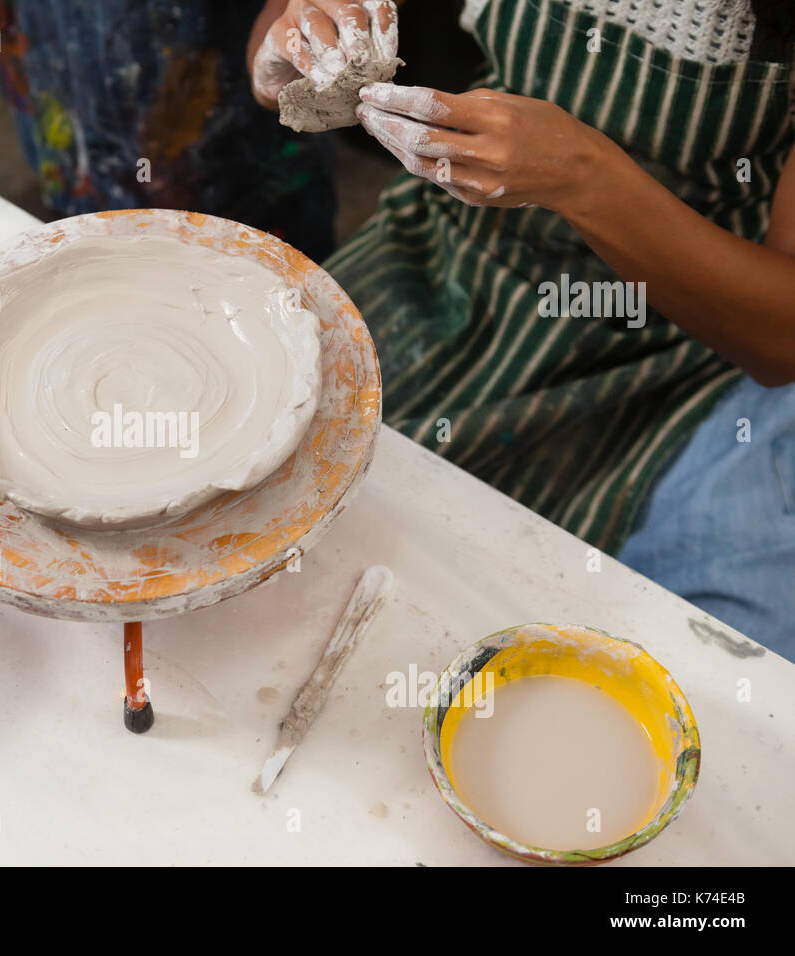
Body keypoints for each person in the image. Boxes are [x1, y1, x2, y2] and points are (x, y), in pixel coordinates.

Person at [250, 0, 795, 655]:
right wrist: (294, 52)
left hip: (684, 331)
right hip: (452, 254)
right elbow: (276, 36)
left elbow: (780, 340)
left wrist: (581, 177)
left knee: (698, 656)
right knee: (260, 503)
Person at [0, 0, 338, 262]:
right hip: (53, 56)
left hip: (227, 129)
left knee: (257, 279)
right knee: (91, 252)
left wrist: (307, 22)